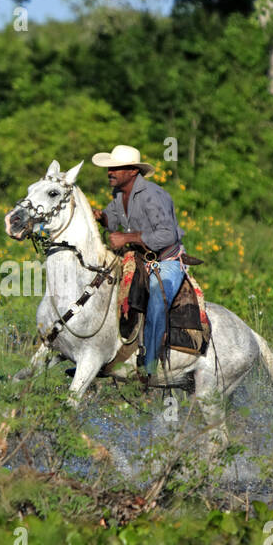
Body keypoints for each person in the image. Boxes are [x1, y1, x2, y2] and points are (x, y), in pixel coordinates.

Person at [91, 144, 186, 386]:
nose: (110, 172)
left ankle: (149, 368)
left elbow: (168, 234)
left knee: (157, 296)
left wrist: (128, 238)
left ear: (133, 171)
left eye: (116, 168)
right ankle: (94, 353)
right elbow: (114, 220)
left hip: (165, 260)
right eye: (110, 168)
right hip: (138, 258)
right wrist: (102, 217)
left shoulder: (153, 196)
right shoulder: (120, 195)